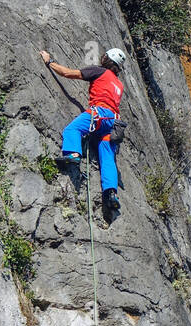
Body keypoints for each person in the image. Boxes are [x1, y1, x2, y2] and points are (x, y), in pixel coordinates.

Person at [39, 47, 126, 214]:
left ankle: (73, 154)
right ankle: (111, 193)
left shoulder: (99, 72)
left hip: (99, 114)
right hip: (113, 123)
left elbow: (68, 73)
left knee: (73, 130)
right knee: (107, 157)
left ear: (107, 59)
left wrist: (49, 62)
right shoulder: (119, 84)